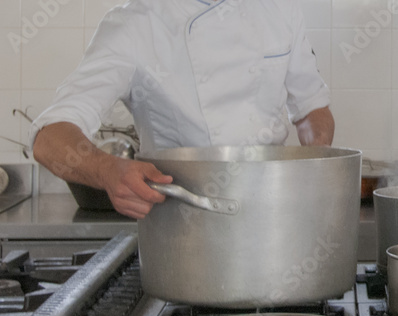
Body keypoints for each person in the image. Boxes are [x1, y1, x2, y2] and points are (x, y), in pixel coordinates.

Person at [30, 0, 334, 219]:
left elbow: (312, 109)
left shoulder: (280, 9)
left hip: (270, 211)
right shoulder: (135, 25)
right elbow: (49, 138)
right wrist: (107, 170)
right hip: (181, 222)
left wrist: (312, 164)